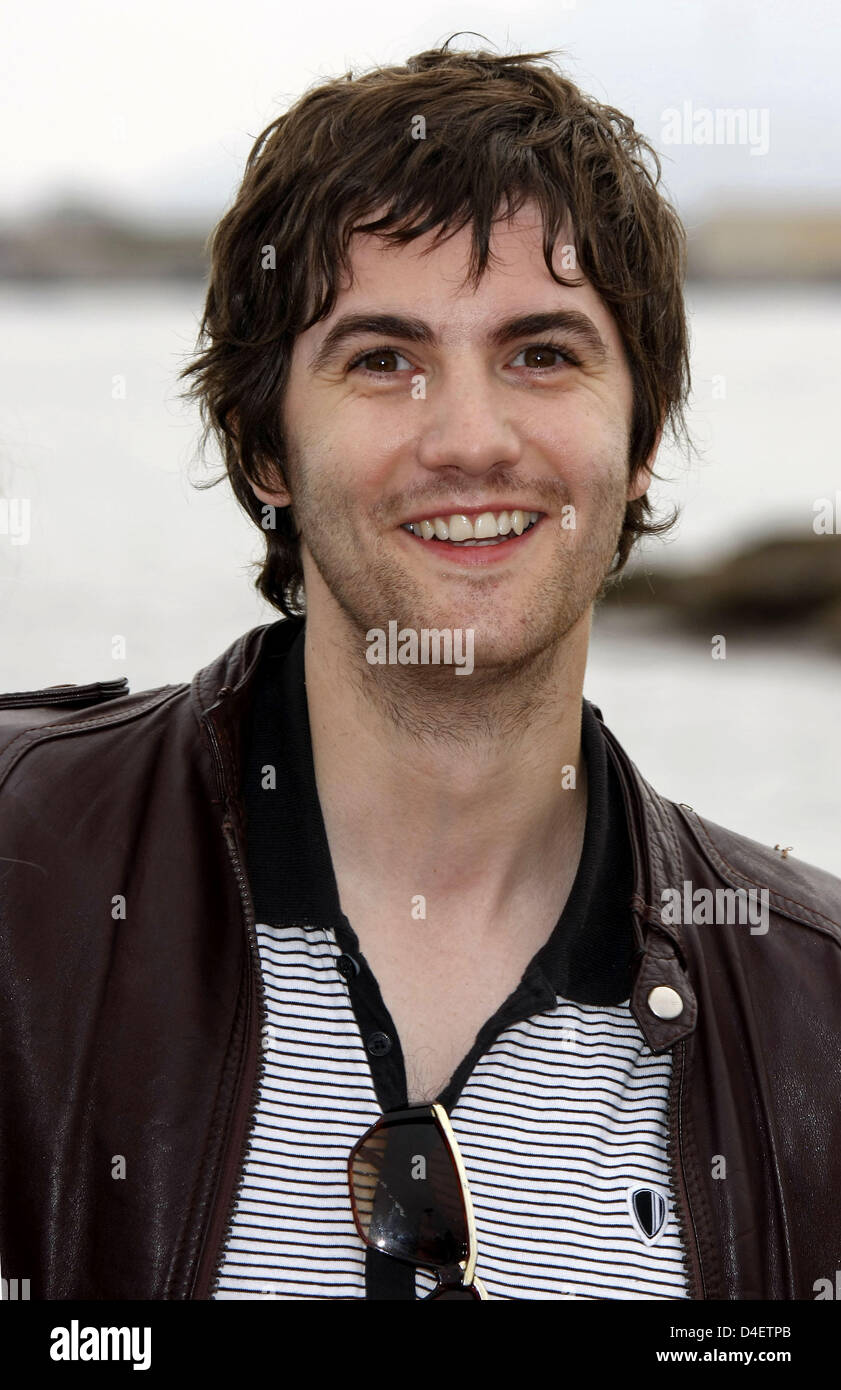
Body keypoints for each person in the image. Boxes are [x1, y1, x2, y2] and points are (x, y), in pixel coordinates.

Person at [1, 41, 839, 1303]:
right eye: (382, 359)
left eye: (542, 353)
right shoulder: (22, 878)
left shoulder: (813, 1016)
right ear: (264, 443)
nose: (468, 440)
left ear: (644, 434)